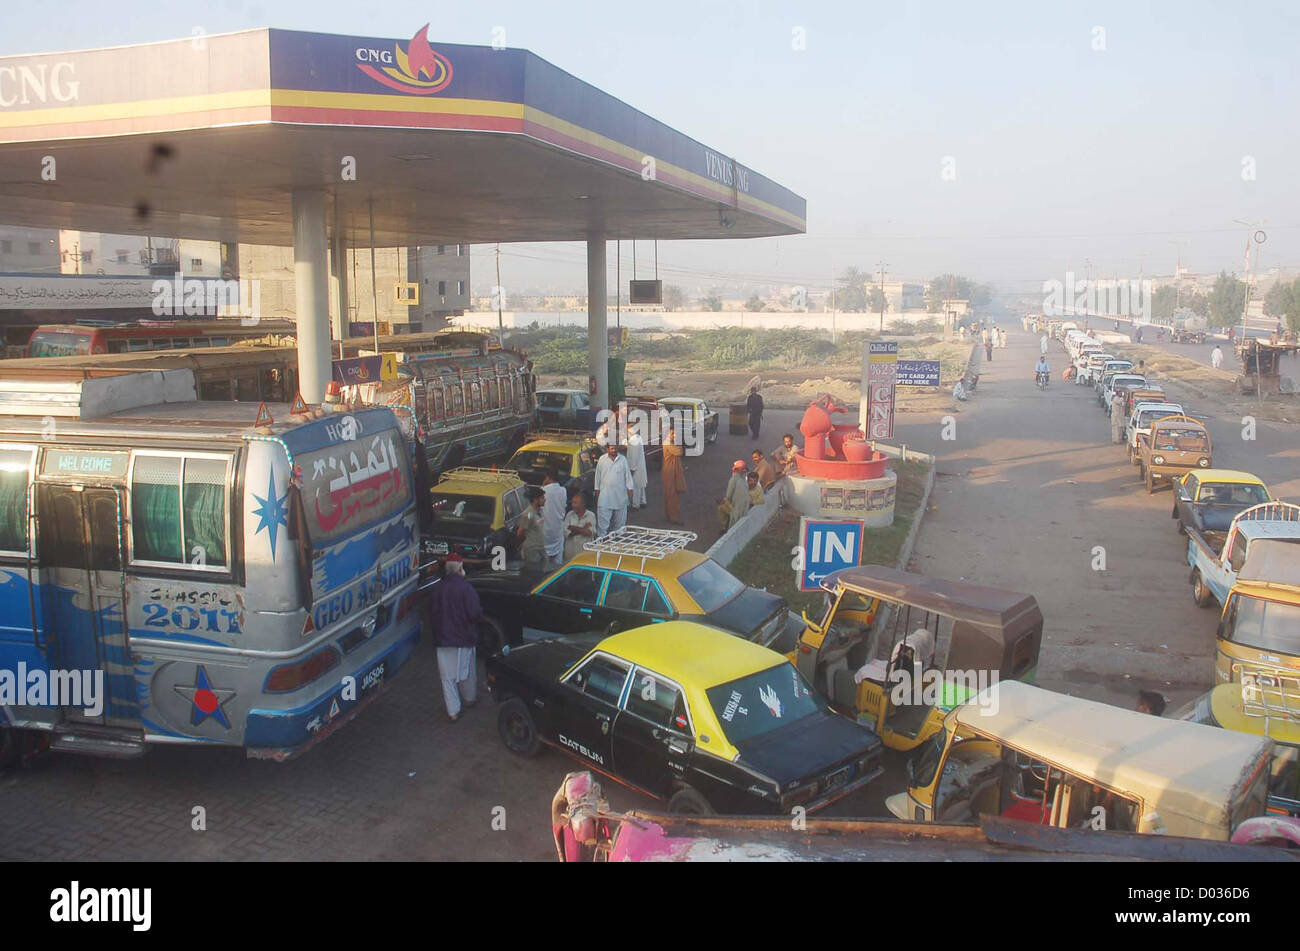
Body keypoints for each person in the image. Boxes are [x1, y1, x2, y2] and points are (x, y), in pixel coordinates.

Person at [429, 553, 483, 723]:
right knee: (467, 672)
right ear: (460, 568)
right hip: (464, 639)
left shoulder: (438, 589)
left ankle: (453, 711)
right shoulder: (467, 589)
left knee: (447, 678)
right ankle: (470, 698)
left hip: (443, 640)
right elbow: (475, 614)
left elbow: (432, 614)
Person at [594, 441, 633, 535]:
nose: (614, 450)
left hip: (621, 498)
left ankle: (618, 546)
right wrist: (598, 495)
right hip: (605, 499)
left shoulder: (623, 459)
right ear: (607, 449)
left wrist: (630, 496)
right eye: (612, 448)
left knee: (620, 528)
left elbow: (628, 479)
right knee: (602, 529)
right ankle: (601, 546)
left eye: (615, 448)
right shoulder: (602, 460)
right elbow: (597, 479)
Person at [517, 486, 548, 584]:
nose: (545, 500)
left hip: (541, 548)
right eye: (542, 498)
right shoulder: (528, 514)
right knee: (533, 576)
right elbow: (520, 532)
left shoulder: (540, 511)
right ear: (535, 500)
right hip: (532, 550)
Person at [540, 469, 567, 570]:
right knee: (557, 567)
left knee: (544, 566)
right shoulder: (563, 491)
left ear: (547, 478)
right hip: (557, 532)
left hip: (545, 532)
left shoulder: (543, 492)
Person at [661, 422, 687, 524]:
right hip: (670, 471)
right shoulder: (668, 443)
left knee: (670, 495)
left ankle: (670, 516)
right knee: (672, 495)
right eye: (673, 433)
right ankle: (673, 518)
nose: (675, 435)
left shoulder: (668, 442)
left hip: (670, 470)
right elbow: (679, 451)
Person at [717, 459, 750, 533]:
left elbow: (728, 496)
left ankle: (724, 526)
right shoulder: (745, 478)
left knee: (720, 507)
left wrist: (723, 500)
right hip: (745, 508)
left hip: (737, 511)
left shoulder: (734, 480)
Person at [563, 490, 597, 562]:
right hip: (570, 557)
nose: (572, 505)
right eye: (572, 502)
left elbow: (590, 533)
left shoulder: (590, 515)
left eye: (575, 503)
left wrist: (574, 528)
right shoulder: (569, 515)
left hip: (585, 556)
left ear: (583, 504)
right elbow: (567, 534)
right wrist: (584, 528)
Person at [626, 422, 647, 509]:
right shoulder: (638, 438)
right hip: (641, 465)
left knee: (635, 486)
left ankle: (635, 505)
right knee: (641, 486)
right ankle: (643, 501)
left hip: (636, 467)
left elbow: (633, 456)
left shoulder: (633, 441)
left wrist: (632, 469)